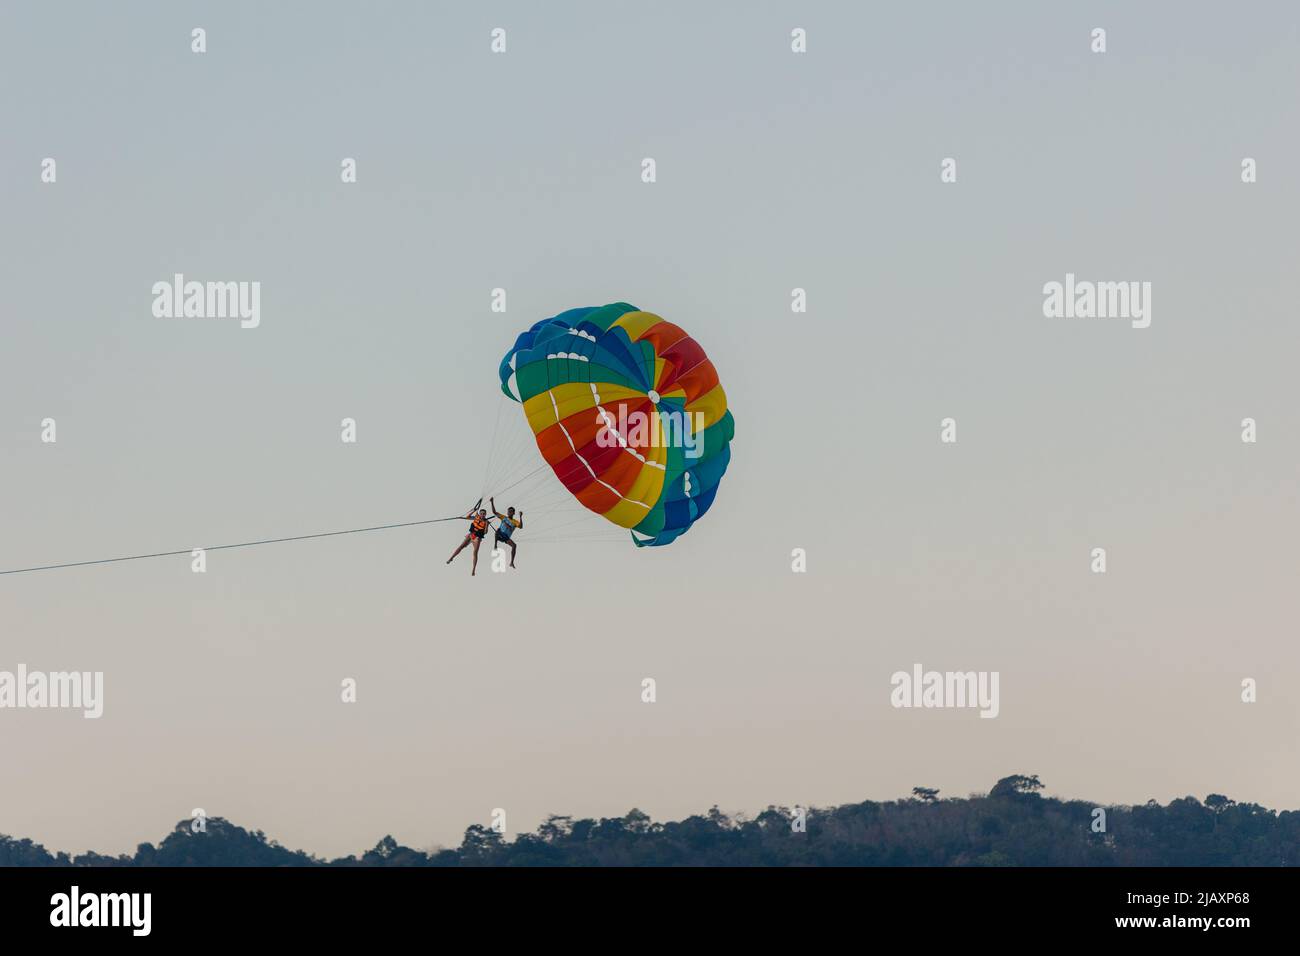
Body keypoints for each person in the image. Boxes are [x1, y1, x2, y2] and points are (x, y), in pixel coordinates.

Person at [447, 508, 490, 576]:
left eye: (484, 514)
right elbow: (467, 517)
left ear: (485, 515)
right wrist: (474, 511)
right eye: (481, 513)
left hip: (477, 538)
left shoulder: (486, 522)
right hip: (471, 535)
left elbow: (485, 532)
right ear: (480, 514)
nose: (482, 515)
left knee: (475, 553)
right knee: (461, 546)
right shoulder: (476, 517)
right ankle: (451, 558)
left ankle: (473, 570)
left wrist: (487, 525)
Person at [490, 497, 522, 569]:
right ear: (507, 512)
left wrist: (520, 517)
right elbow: (494, 512)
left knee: (514, 545)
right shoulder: (503, 517)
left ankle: (511, 562)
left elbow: (520, 526)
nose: (509, 512)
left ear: (513, 513)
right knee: (497, 530)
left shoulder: (515, 521)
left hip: (506, 537)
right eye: (509, 511)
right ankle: (495, 545)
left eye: (511, 511)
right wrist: (492, 502)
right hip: (500, 534)